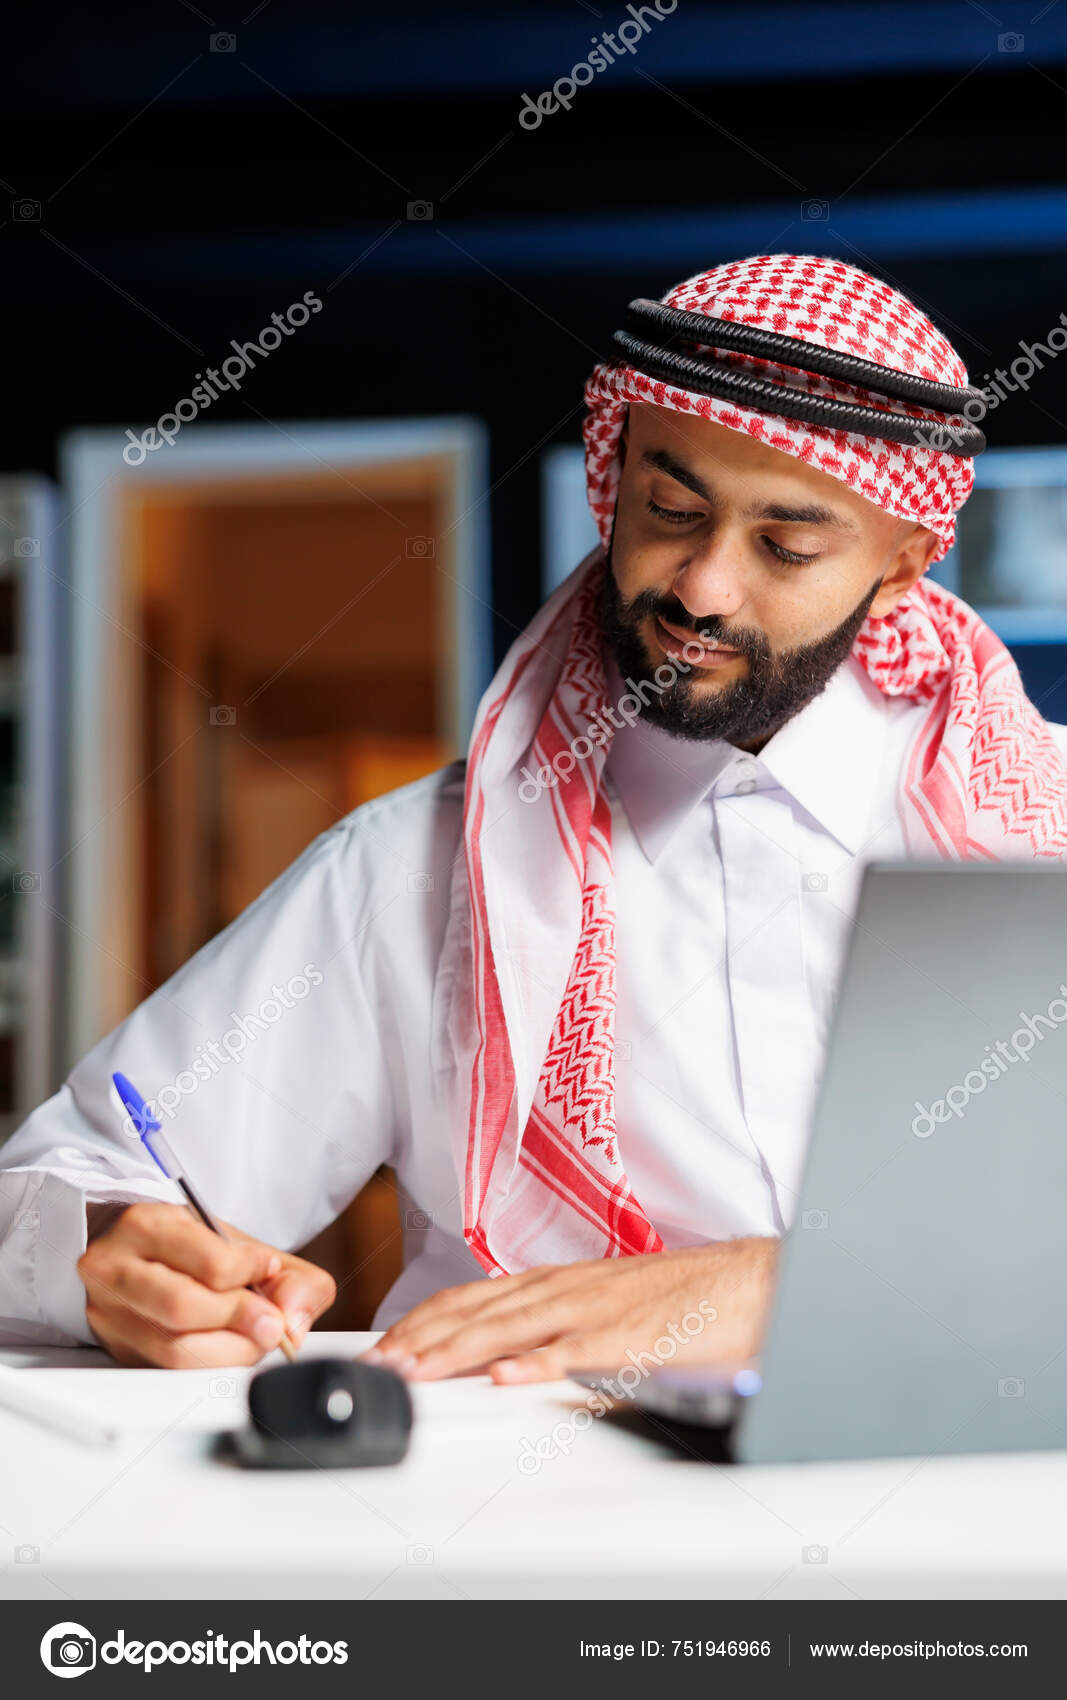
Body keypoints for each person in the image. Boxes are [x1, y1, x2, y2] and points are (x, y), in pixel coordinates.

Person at [2, 253, 1066, 1381]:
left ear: (899, 569)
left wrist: (766, 1286)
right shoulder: (414, 866)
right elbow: (71, 1174)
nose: (702, 586)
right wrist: (116, 1253)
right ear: (614, 478)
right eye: (670, 508)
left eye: (784, 546)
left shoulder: (1040, 828)